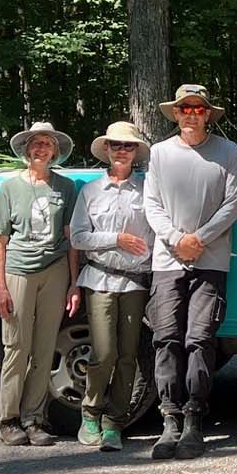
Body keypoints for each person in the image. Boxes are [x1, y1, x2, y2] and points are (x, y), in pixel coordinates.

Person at [144, 84, 237, 460]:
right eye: (184, 108)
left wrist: (198, 238)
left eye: (198, 109)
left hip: (210, 260)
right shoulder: (158, 153)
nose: (191, 114)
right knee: (166, 337)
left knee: (200, 340)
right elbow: (151, 204)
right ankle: (168, 419)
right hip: (167, 260)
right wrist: (175, 239)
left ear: (207, 114)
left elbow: (233, 203)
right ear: (176, 113)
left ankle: (193, 420)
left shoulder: (228, 151)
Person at [0, 122, 80, 448]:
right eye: (35, 144)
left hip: (54, 271)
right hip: (18, 271)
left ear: (55, 150)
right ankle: (8, 420)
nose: (41, 149)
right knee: (16, 347)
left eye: (47, 144)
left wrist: (73, 284)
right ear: (27, 150)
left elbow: (71, 240)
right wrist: (1, 287)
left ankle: (34, 418)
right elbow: (0, 242)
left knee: (44, 348)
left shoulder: (66, 188)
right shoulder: (11, 188)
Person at [69, 121, 156, 453]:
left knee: (128, 355)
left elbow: (156, 233)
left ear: (136, 153)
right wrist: (115, 239)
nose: (122, 150)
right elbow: (77, 237)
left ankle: (114, 423)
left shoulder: (147, 191)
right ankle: (90, 413)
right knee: (103, 352)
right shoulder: (90, 192)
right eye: (116, 145)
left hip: (135, 283)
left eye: (129, 146)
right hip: (100, 279)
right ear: (106, 149)